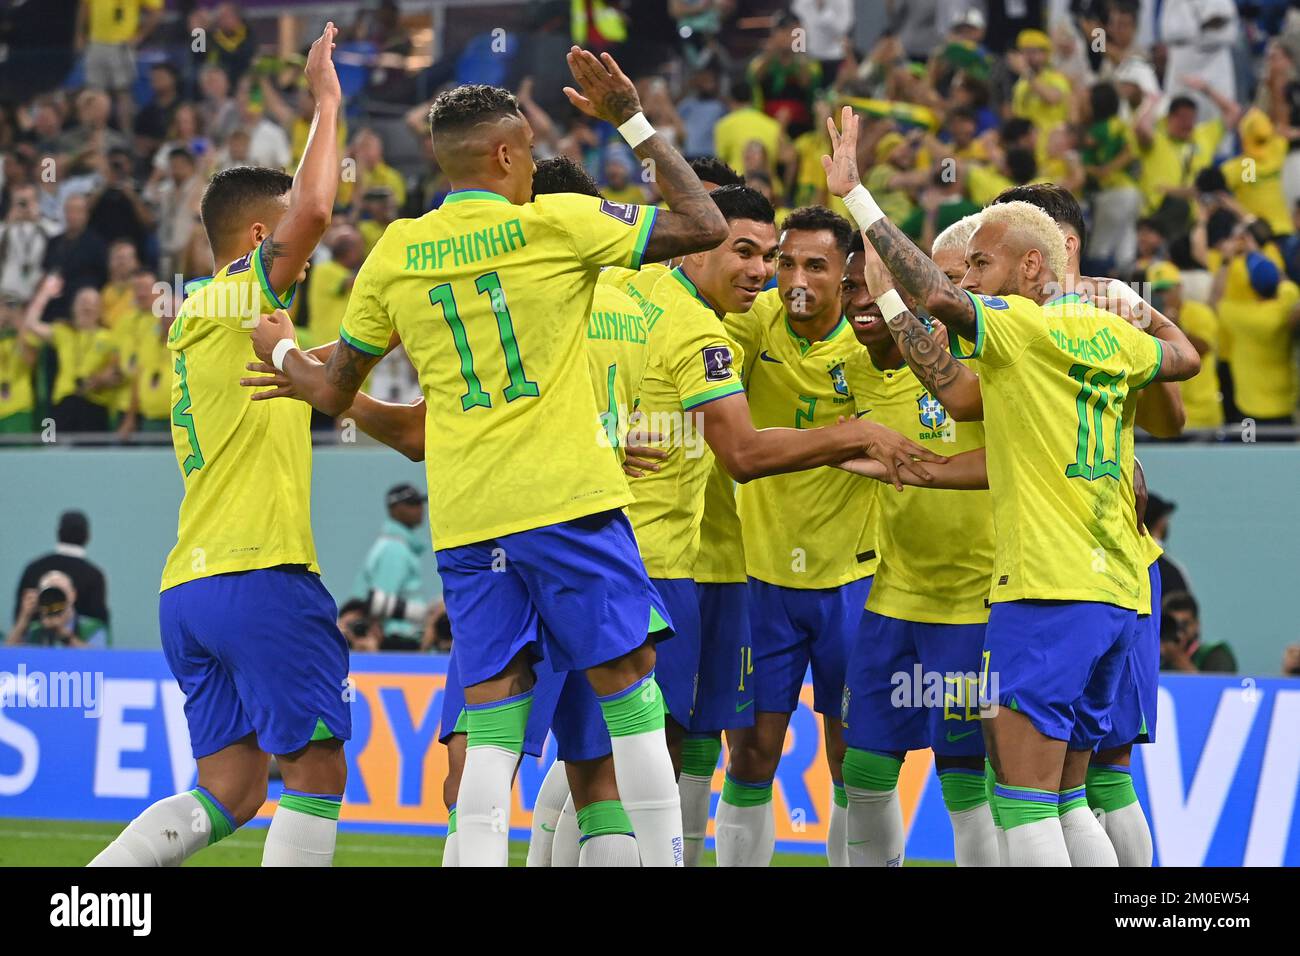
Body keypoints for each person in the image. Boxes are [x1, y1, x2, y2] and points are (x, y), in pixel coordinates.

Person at [248, 49, 735, 868]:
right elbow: (704, 226)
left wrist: (288, 354)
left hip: (470, 523)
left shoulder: (397, 251)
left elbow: (331, 392)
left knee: (492, 722)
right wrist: (631, 116)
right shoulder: (559, 225)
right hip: (569, 502)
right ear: (508, 155)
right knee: (630, 700)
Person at [825, 105, 1200, 866]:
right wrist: (1137, 307)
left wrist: (858, 198)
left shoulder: (1026, 331)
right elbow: (1185, 365)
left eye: (983, 266)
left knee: (1023, 802)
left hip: (1044, 589)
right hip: (1118, 590)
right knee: (1074, 797)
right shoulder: (1111, 332)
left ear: (1035, 266)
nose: (972, 281)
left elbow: (939, 302)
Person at [89, 24, 347, 869]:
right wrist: (327, 101)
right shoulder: (239, 294)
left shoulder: (210, 318)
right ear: (252, 243)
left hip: (189, 590)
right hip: (260, 572)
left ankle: (89, 896)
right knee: (316, 771)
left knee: (232, 790)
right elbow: (313, 208)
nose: (302, 257)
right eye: (282, 244)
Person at [837, 222, 998, 868]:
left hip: (971, 605)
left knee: (963, 780)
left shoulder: (985, 356)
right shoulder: (849, 370)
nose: (863, 301)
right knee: (864, 772)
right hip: (892, 601)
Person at [354, 483, 432, 651]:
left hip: (400, 637)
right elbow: (377, 603)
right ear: (394, 509)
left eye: (420, 503)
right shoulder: (394, 548)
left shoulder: (396, 544)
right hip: (397, 639)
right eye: (412, 504)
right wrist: (427, 614)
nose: (419, 509)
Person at [14, 509, 110, 628]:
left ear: (58, 533)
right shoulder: (95, 576)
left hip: (36, 645)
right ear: (88, 536)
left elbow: (17, 617)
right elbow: (100, 625)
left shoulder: (33, 569)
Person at [6, 571, 108, 648]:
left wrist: (65, 635)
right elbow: (7, 659)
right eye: (49, 595)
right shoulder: (35, 630)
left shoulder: (93, 627)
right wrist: (24, 618)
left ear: (73, 594)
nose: (55, 600)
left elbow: (98, 661)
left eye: (60, 593)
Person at [1161, 592, 1237, 674]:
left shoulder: (1216, 654)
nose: (1179, 631)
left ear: (1197, 625)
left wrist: (1178, 658)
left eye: (1185, 624)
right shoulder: (1156, 658)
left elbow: (1218, 685)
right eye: (1172, 625)